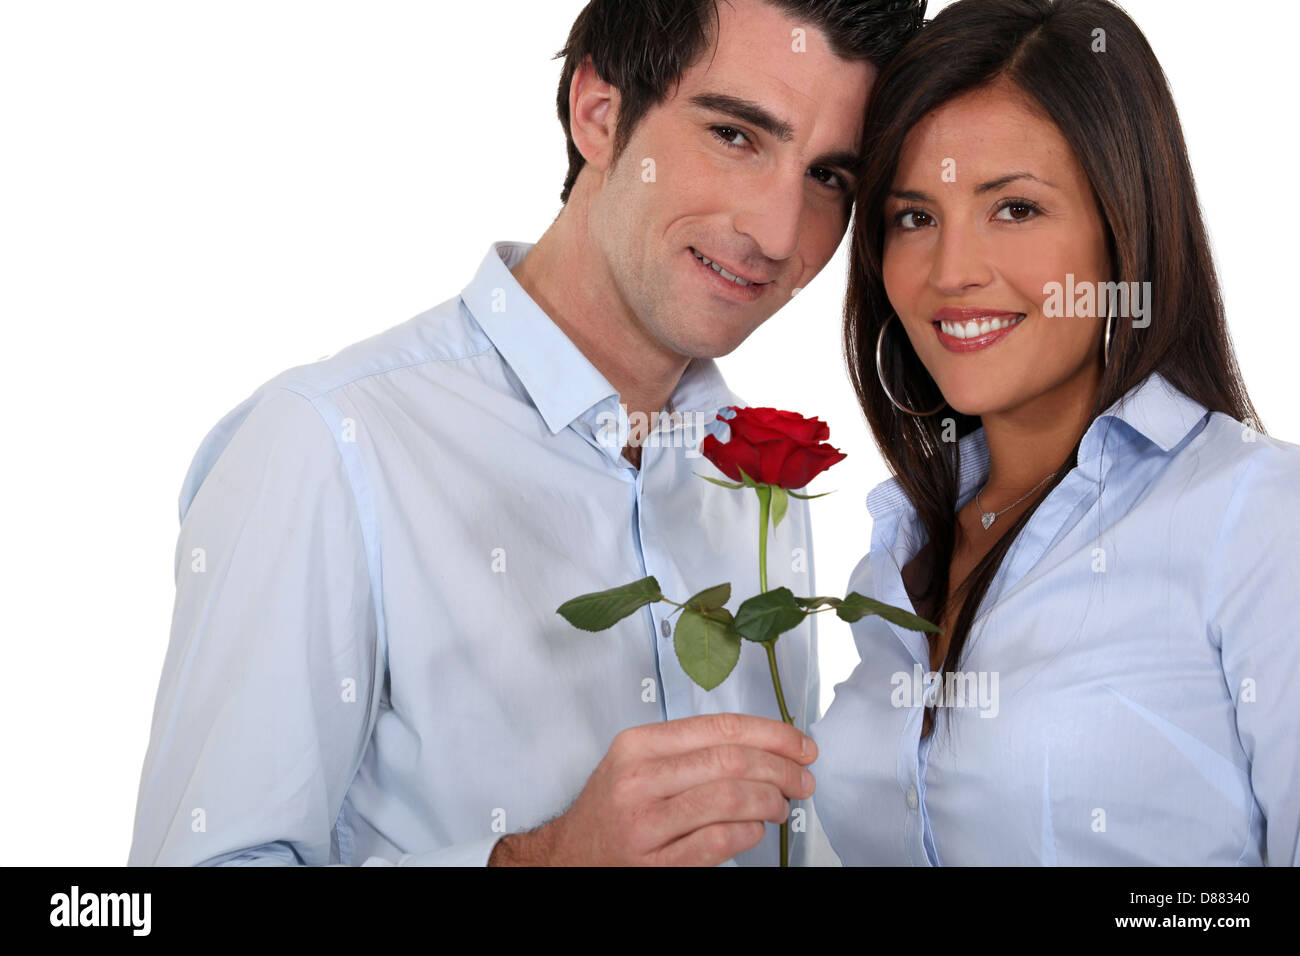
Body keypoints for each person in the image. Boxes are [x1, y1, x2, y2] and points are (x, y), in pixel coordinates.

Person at [127, 0, 925, 867]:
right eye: (736, 135)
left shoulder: (751, 480)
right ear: (598, 110)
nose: (778, 234)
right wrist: (537, 863)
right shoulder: (328, 446)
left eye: (828, 179)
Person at [811, 0, 1300, 865]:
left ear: (1125, 232)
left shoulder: (1259, 518)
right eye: (914, 217)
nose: (952, 273)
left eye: (1016, 210)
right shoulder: (897, 553)